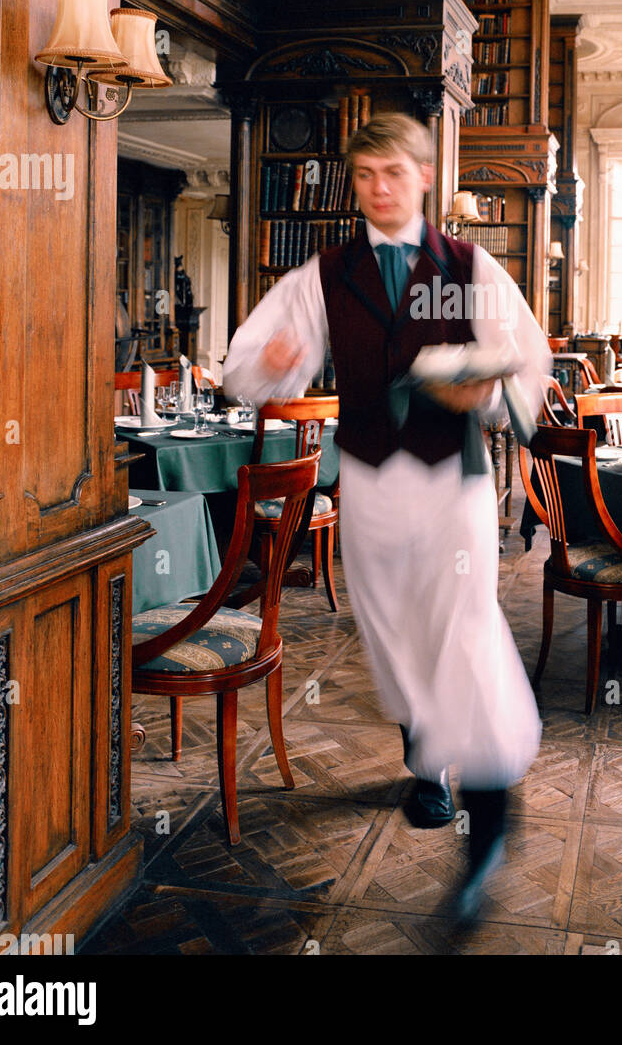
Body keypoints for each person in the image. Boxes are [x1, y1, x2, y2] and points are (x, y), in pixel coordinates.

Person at [222, 112, 549, 927]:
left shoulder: (470, 267)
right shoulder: (324, 274)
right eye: (365, 175)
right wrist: (265, 367)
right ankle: (427, 761)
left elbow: (526, 368)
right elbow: (256, 358)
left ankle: (486, 824)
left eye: (393, 173)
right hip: (369, 479)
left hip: (453, 481)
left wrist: (492, 396)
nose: (378, 189)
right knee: (396, 634)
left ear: (424, 177)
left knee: (463, 632)